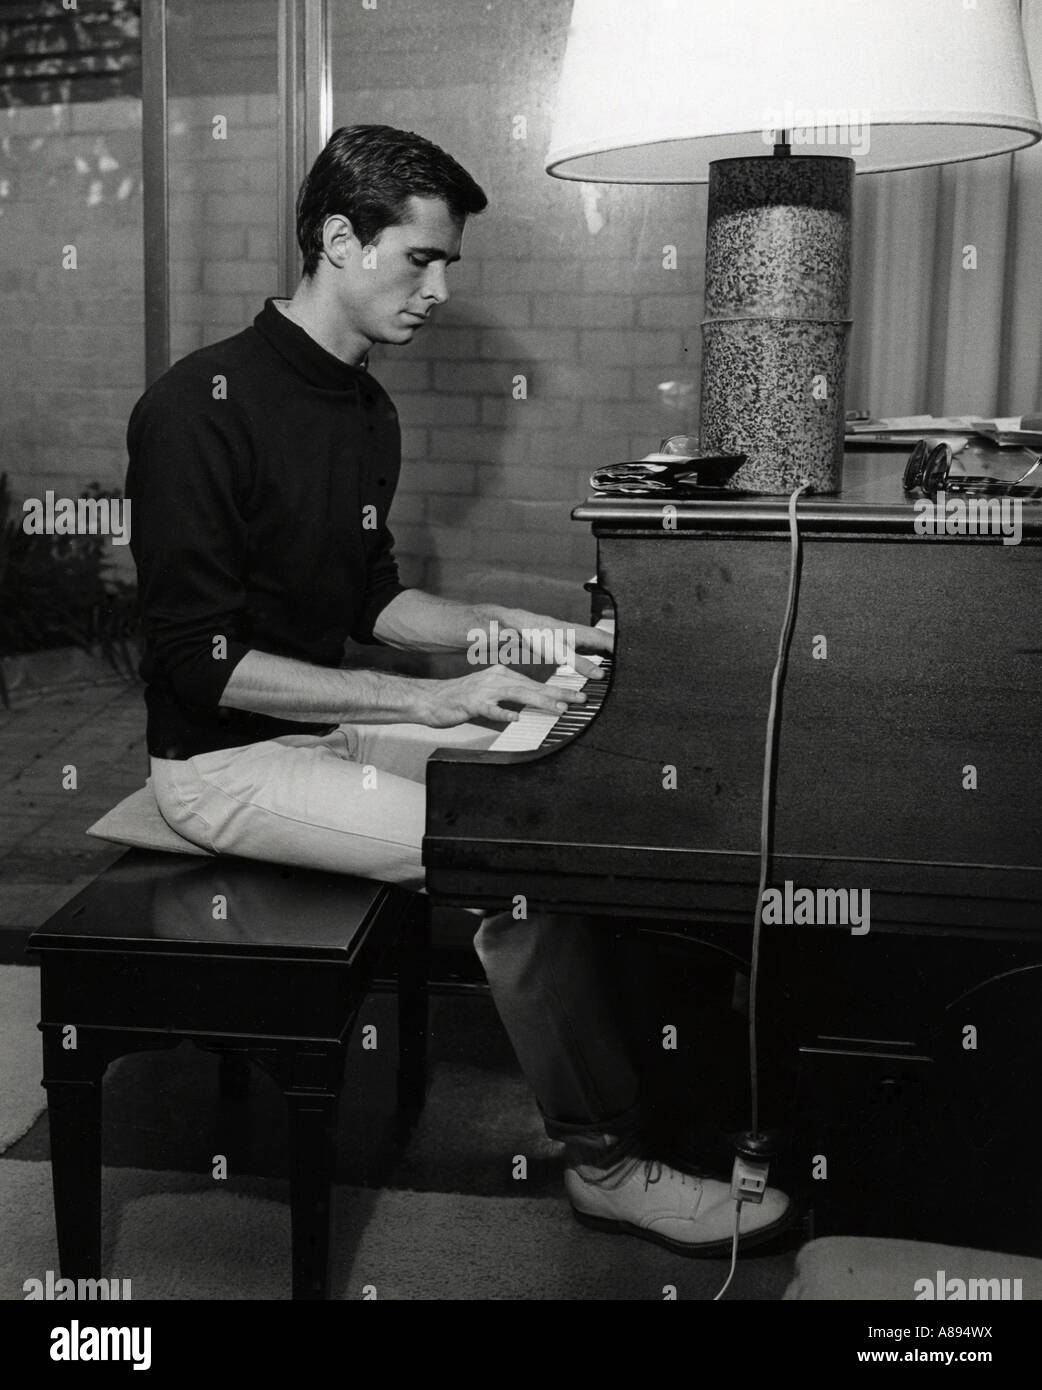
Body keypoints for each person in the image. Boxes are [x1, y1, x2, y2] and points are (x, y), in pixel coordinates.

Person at [125, 124, 791, 1258]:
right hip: (218, 767)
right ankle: (606, 1164)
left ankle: (657, 1090)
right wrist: (423, 704)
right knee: (518, 865)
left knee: (558, 791)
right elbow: (203, 664)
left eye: (448, 267)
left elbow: (371, 604)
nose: (435, 289)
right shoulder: (197, 408)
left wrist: (525, 636)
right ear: (339, 239)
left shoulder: (365, 408)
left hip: (325, 730)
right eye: (418, 260)